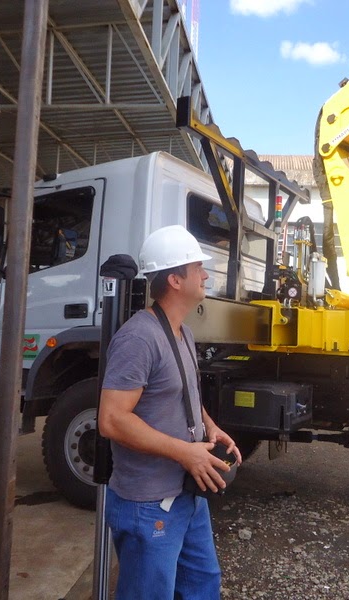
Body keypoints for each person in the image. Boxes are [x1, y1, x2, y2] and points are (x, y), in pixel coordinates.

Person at [98, 224, 242, 600]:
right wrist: (184, 452)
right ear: (176, 280)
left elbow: (185, 392)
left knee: (202, 586)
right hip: (148, 503)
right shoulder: (138, 338)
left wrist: (210, 429)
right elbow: (112, 419)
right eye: (198, 268)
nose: (206, 274)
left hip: (185, 495)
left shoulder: (182, 332)